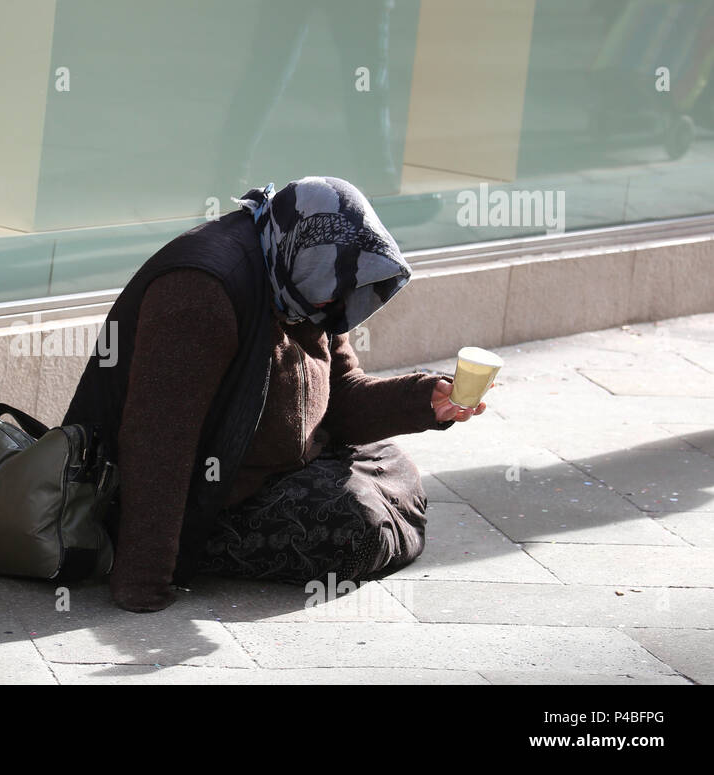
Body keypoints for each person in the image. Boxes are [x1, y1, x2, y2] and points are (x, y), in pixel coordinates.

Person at [61, 176, 488, 613]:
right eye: (330, 287)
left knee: (397, 470)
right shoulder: (200, 292)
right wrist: (143, 578)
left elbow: (341, 394)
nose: (332, 306)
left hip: (277, 465)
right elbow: (158, 444)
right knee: (357, 527)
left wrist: (425, 400)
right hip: (207, 490)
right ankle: (194, 547)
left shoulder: (300, 276)